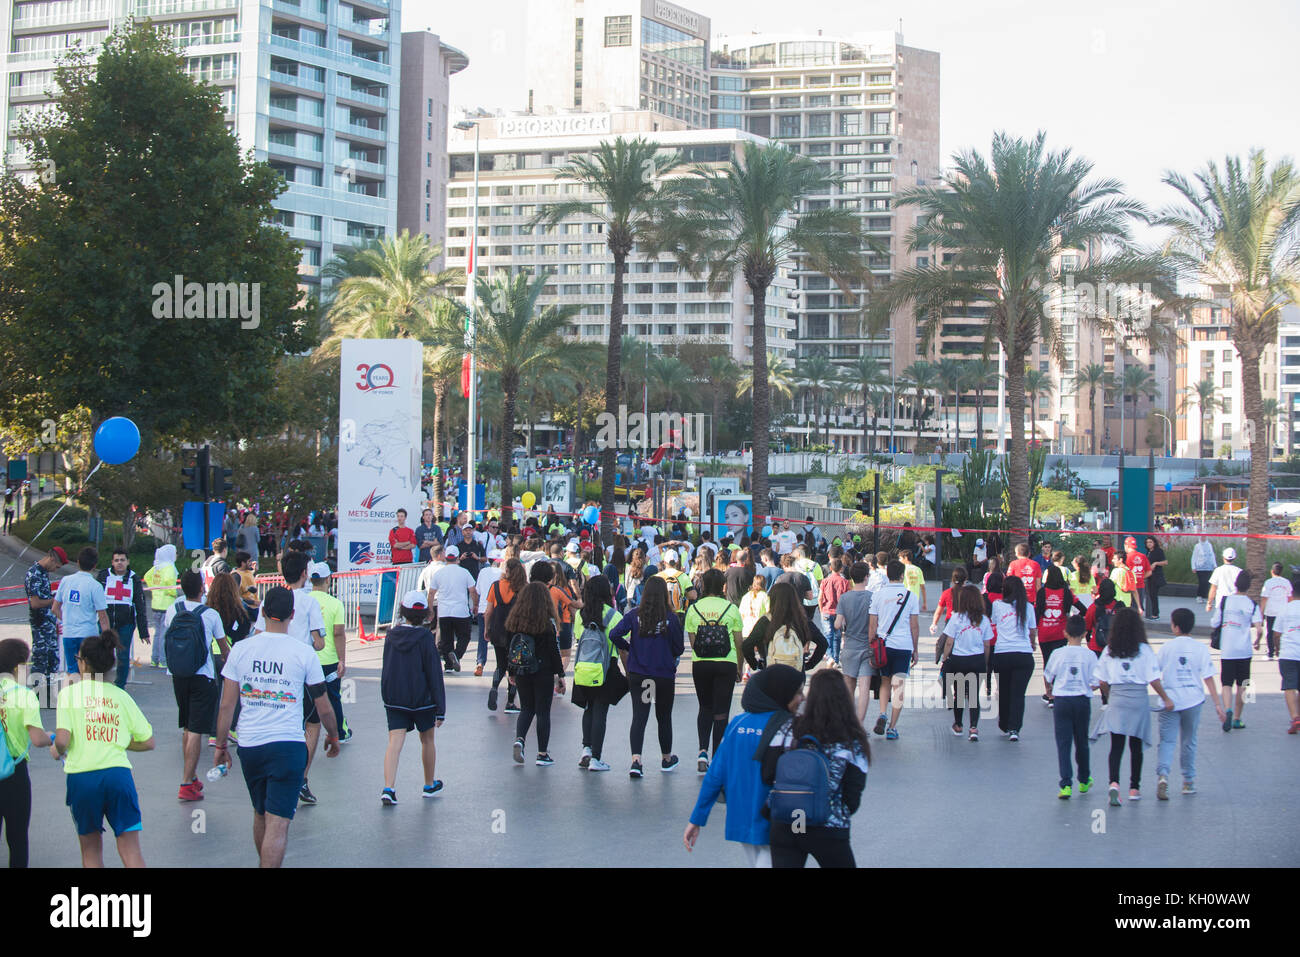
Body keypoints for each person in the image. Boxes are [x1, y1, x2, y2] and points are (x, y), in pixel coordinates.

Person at [215, 586, 339, 867]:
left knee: (261, 813)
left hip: (249, 745)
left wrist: (220, 744)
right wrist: (333, 734)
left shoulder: (241, 650)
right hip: (288, 746)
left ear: (262, 612)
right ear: (292, 615)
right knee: (279, 823)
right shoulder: (304, 653)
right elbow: (324, 705)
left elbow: (226, 705)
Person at [684, 665, 806, 867]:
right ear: (782, 693)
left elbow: (715, 774)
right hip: (775, 820)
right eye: (798, 692)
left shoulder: (737, 724)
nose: (802, 698)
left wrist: (697, 818)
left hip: (741, 817)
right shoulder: (789, 728)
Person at [51, 631, 155, 867]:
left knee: (90, 851)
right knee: (131, 850)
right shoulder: (121, 696)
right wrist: (118, 741)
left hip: (83, 778)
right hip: (118, 775)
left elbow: (63, 741)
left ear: (84, 663)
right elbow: (149, 741)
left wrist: (58, 748)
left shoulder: (69, 694)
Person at [758, 670, 869, 868]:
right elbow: (853, 795)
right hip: (828, 825)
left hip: (787, 821)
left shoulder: (788, 728)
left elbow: (767, 774)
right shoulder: (851, 740)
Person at [1091, 607, 1175, 805]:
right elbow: (1154, 679)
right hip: (1138, 699)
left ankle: (1114, 784)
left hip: (1118, 698)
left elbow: (1101, 680)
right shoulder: (1144, 650)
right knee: (1136, 746)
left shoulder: (1109, 650)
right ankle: (1134, 788)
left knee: (1116, 745)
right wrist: (1166, 698)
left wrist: (1109, 696)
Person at [608, 575, 684, 778]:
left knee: (640, 717)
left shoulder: (634, 615)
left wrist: (630, 648)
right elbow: (679, 647)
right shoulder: (672, 618)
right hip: (663, 675)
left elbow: (614, 634)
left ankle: (636, 761)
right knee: (664, 717)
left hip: (640, 674)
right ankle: (666, 759)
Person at [163, 570, 228, 802]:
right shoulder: (210, 614)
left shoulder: (173, 610)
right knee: (196, 730)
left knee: (187, 727)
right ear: (202, 588)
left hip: (178, 674)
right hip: (203, 676)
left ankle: (190, 777)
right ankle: (185, 783)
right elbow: (222, 647)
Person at [380, 591, 446, 803]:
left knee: (395, 742)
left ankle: (389, 788)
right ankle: (429, 784)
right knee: (427, 740)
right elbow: (434, 672)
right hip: (422, 700)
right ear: (425, 615)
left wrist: (387, 695)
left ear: (403, 611)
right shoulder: (426, 638)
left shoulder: (391, 635)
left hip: (396, 698)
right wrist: (440, 708)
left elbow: (386, 667)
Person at [1155, 608, 1225, 799]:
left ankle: (1163, 775)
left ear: (1175, 627)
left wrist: (1163, 696)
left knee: (1167, 741)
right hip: (1193, 700)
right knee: (1189, 741)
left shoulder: (1166, 648)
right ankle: (1188, 781)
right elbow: (1209, 677)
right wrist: (1218, 705)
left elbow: (1154, 675)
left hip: (1169, 701)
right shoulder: (1200, 648)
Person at [684, 569, 745, 774]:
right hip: (725, 663)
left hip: (701, 663)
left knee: (705, 707)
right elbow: (738, 640)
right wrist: (739, 666)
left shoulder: (694, 609)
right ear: (722, 586)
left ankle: (702, 751)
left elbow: (693, 642)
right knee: (722, 712)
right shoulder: (731, 608)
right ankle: (717, 755)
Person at [0, 639, 53, 867]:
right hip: (14, 773)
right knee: (17, 837)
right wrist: (51, 736)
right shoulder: (23, 695)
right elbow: (37, 738)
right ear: (16, 668)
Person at [572, 576, 627, 772]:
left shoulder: (580, 615)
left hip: (583, 666)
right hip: (606, 667)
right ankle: (596, 758)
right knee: (600, 712)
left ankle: (586, 748)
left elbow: (578, 638)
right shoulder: (614, 616)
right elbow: (622, 648)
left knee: (587, 708)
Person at [506, 581, 563, 767]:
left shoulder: (515, 621)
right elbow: (554, 650)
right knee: (543, 712)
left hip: (522, 669)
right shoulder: (547, 623)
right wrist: (560, 674)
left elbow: (512, 647)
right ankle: (542, 753)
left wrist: (511, 670)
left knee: (526, 708)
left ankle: (520, 739)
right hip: (543, 670)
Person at [1042, 615, 1099, 798]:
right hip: (1082, 700)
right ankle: (1084, 779)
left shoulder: (1058, 653)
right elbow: (1096, 681)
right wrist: (1089, 687)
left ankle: (1065, 784)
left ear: (1065, 632)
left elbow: (1048, 674)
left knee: (1063, 742)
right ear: (1084, 633)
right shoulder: (1089, 655)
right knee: (1082, 741)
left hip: (1062, 700)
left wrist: (1049, 690)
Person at [868, 560, 919, 740]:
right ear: (902, 575)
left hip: (883, 645)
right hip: (903, 645)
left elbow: (872, 624)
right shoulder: (911, 596)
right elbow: (914, 626)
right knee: (899, 686)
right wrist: (915, 649)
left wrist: (870, 647)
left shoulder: (878, 595)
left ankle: (882, 712)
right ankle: (892, 727)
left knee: (884, 682)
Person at [939, 585, 994, 741]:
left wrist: (945, 658)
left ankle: (958, 724)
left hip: (959, 659)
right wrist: (985, 661)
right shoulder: (983, 620)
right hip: (977, 659)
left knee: (960, 693)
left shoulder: (956, 617)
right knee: (974, 695)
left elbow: (949, 641)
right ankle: (974, 727)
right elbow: (987, 644)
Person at [1210, 569, 1262, 732]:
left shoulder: (1225, 601)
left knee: (1226, 683)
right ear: (1248, 587)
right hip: (1244, 650)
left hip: (1228, 649)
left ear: (1235, 584)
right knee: (1243, 684)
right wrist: (1257, 641)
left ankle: (1228, 710)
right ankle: (1238, 718)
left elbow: (1214, 622)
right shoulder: (1252, 604)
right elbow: (1259, 629)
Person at [989, 575, 1037, 741]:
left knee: (1004, 690)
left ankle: (1004, 722)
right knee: (1018, 693)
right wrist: (1033, 643)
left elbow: (994, 622)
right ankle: (1014, 728)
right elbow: (1032, 631)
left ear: (1005, 590)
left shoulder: (997, 605)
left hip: (1003, 653)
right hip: (1023, 654)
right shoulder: (1028, 607)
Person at [307, 563, 349, 745]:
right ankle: (339, 732)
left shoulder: (304, 600)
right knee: (333, 697)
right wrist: (342, 659)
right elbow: (338, 633)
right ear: (328, 580)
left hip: (307, 659)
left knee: (305, 697)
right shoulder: (335, 604)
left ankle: (303, 729)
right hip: (329, 660)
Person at [96, 548, 151, 689]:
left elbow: (140, 606)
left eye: (122, 560)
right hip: (105, 623)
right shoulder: (103, 575)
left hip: (125, 624)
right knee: (101, 655)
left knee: (123, 656)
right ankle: (101, 684)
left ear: (128, 562)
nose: (119, 563)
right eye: (116, 560)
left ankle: (120, 686)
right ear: (112, 562)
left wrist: (143, 631)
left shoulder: (134, 579)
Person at [53, 547, 110, 679]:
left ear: (78, 562)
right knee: (90, 671)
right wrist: (107, 639)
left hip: (69, 633)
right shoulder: (95, 586)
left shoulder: (66, 581)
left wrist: (66, 620)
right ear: (95, 565)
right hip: (88, 634)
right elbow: (102, 616)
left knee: (72, 671)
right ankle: (88, 698)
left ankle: (72, 697)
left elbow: (55, 608)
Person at [426, 544, 478, 674]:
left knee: (446, 639)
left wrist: (430, 609)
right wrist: (475, 605)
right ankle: (457, 654)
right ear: (457, 558)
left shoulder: (439, 573)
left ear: (446, 558)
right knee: (464, 637)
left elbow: (431, 593)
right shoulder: (464, 572)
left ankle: (448, 666)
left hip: (444, 611)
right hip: (461, 611)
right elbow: (473, 591)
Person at [1035, 565, 1084, 705]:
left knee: (1047, 662)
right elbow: (1082, 608)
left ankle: (1049, 694)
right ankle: (1058, 691)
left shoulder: (1042, 592)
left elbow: (1037, 612)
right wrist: (1073, 620)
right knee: (1060, 662)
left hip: (1045, 632)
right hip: (1061, 632)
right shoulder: (1066, 593)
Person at [485, 558, 526, 714]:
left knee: (500, 664)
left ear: (506, 570)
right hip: (516, 630)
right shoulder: (523, 588)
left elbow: (488, 611)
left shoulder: (495, 586)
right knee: (515, 665)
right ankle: (510, 702)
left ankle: (495, 686)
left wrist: (487, 628)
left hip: (498, 628)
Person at [25, 547, 67, 687]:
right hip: (40, 626)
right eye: (57, 566)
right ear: (52, 558)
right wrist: (55, 600)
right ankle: (38, 696)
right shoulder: (34, 574)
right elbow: (35, 603)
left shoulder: (43, 573)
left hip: (48, 625)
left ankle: (48, 694)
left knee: (53, 660)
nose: (56, 569)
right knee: (40, 661)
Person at [143, 544, 179, 669]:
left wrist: (155, 588)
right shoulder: (169, 567)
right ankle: (164, 661)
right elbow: (170, 583)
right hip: (166, 604)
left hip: (155, 603)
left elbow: (147, 576)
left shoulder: (157, 566)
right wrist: (173, 594)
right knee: (165, 634)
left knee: (157, 633)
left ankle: (154, 659)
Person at [1273, 572, 1300, 734]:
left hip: (1288, 653)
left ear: (1291, 593)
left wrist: (1277, 648)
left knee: (1289, 686)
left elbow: (1276, 633)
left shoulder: (1285, 608)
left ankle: (1294, 716)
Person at [1259, 563, 1291, 660]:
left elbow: (1264, 598)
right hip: (1283, 612)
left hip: (1271, 612)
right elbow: (1290, 597)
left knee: (1270, 632)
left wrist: (1261, 612)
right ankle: (1282, 651)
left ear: (1272, 571)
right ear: (1281, 572)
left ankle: (1270, 653)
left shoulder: (1268, 582)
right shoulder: (1286, 582)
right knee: (1283, 632)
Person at [1205, 546, 1241, 612]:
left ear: (1223, 558)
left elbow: (1213, 588)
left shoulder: (1218, 570)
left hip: (1220, 602)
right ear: (1234, 558)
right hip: (1235, 603)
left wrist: (1209, 603)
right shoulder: (1239, 571)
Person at [1122, 537, 1149, 617]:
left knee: (1128, 608)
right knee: (1138, 608)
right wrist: (1140, 577)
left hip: (1128, 586)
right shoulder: (1143, 556)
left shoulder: (1126, 557)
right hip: (1140, 585)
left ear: (1126, 545)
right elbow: (1149, 572)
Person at [739, 573, 769, 644]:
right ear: (764, 584)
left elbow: (740, 614)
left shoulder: (745, 596)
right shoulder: (765, 597)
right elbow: (769, 614)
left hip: (746, 631)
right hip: (759, 632)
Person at [1143, 536, 1168, 620]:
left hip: (1156, 576)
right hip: (1150, 576)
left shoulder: (1158, 551)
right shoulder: (1148, 552)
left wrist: (1156, 563)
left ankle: (1155, 614)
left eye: (1150, 542)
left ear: (1154, 543)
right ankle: (1154, 613)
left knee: (1153, 595)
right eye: (1147, 542)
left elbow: (1165, 562)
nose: (1149, 544)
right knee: (1151, 595)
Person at [1191, 536, 1217, 600]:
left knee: (1207, 582)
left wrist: (1214, 565)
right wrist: (1193, 567)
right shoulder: (1197, 546)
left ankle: (1205, 596)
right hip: (1200, 567)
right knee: (1202, 582)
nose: (1203, 538)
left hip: (1209, 567)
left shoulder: (1209, 545)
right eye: (1202, 537)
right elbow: (1194, 557)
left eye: (1204, 537)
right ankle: (1199, 596)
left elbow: (1212, 555)